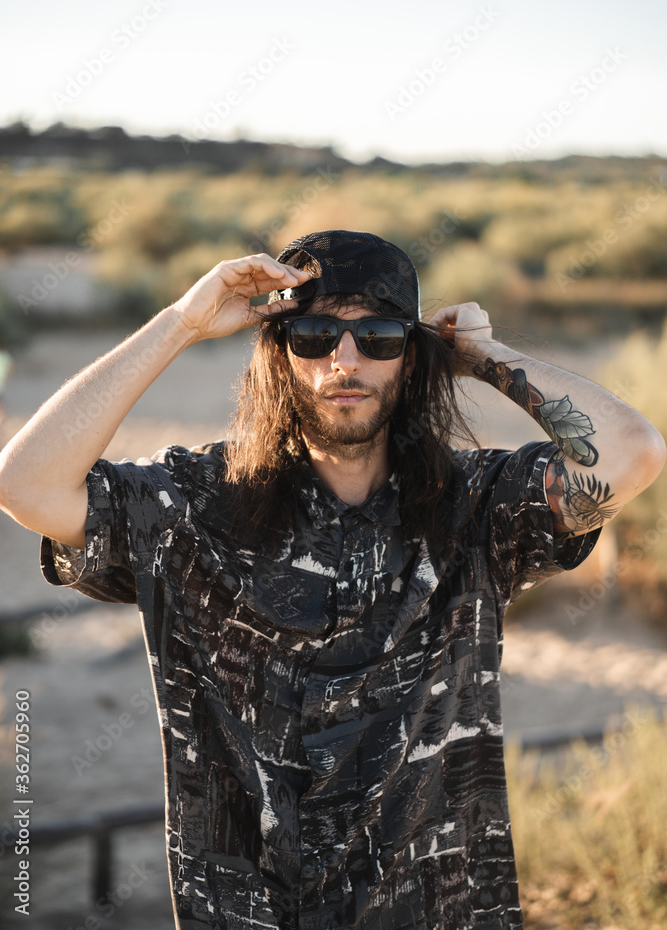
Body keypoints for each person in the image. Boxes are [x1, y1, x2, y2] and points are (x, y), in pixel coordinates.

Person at [0, 229, 664, 930]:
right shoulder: (193, 505)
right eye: (313, 335)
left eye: (378, 336)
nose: (343, 360)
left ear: (411, 359)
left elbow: (631, 452)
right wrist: (180, 324)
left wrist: (483, 357)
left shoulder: (478, 506)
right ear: (278, 356)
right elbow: (25, 484)